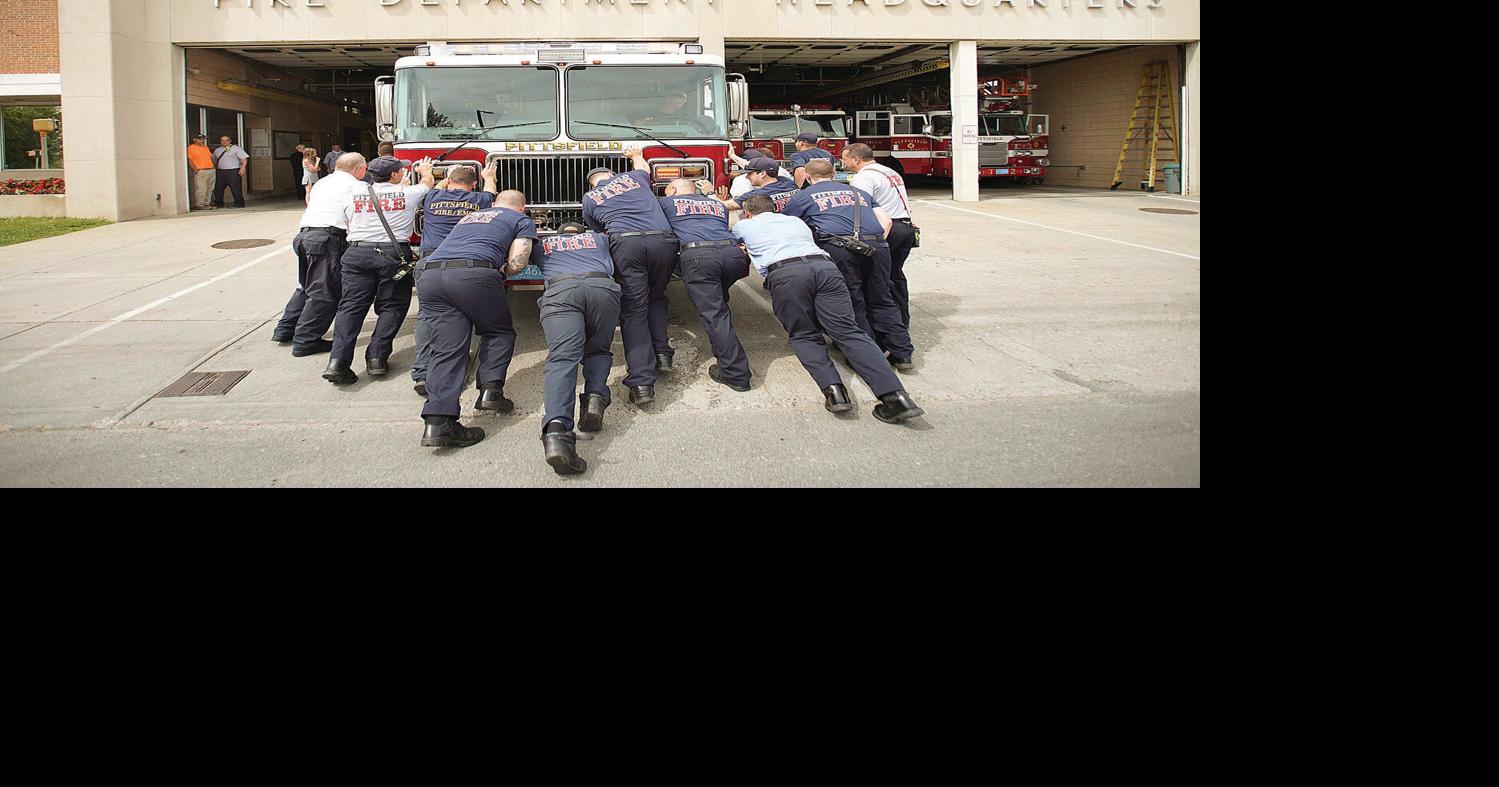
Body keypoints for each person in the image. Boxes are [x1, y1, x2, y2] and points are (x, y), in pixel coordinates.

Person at [731, 195, 924, 424]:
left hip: (786, 274)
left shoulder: (744, 225)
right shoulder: (795, 221)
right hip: (826, 268)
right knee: (849, 332)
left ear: (748, 212)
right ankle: (896, 397)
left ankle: (834, 392)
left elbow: (732, 243)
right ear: (774, 209)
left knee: (804, 335)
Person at [414, 189, 536, 448]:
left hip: (431, 276)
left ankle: (437, 423)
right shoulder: (519, 219)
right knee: (498, 332)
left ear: (494, 204)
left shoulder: (471, 217)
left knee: (446, 350)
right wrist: (506, 270)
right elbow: (519, 259)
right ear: (522, 207)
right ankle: (491, 391)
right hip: (475, 273)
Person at [783, 158, 915, 370]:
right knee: (882, 298)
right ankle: (902, 353)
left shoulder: (804, 196)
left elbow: (788, 224)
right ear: (834, 174)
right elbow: (887, 221)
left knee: (853, 299)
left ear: (808, 177)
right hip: (876, 245)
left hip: (840, 247)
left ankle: (867, 355)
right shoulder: (859, 193)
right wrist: (873, 243)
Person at [322, 156, 435, 386]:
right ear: (393, 175)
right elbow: (429, 183)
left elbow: (343, 224)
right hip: (393, 255)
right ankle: (377, 358)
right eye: (401, 171)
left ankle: (337, 363)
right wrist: (425, 170)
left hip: (357, 254)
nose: (404, 173)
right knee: (392, 306)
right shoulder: (408, 193)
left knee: (350, 308)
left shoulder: (352, 195)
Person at [581, 146, 677, 405]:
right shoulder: (632, 178)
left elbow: (599, 230)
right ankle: (663, 355)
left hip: (626, 245)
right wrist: (634, 155)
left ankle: (642, 383)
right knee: (656, 298)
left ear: (592, 182)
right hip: (664, 240)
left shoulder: (590, 198)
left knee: (634, 310)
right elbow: (643, 167)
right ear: (612, 173)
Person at [528, 221, 623, 475]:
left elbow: (520, 257)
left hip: (561, 290)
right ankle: (594, 398)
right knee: (599, 350)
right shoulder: (600, 240)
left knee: (561, 359)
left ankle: (557, 430)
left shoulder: (543, 245)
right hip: (601, 287)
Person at [410, 162, 498, 397]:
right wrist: (489, 175)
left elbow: (435, 187)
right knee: (460, 318)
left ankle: (422, 371)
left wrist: (437, 178)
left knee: (426, 316)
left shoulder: (431, 198)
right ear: (473, 184)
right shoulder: (480, 200)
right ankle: (452, 372)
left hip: (429, 263)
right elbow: (491, 190)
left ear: (449, 182)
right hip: (464, 263)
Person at [658, 178, 752, 392]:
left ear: (672, 190)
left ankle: (736, 374)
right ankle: (727, 354)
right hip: (733, 256)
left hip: (700, 257)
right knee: (718, 303)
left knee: (715, 314)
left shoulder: (665, 203)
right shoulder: (717, 204)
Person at [273, 152, 367, 356]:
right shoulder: (356, 186)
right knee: (325, 291)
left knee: (306, 286)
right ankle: (306, 340)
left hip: (304, 236)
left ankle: (285, 329)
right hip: (327, 238)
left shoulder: (323, 182)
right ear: (359, 169)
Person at [844, 142, 918, 329]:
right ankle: (902, 320)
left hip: (887, 229)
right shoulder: (889, 171)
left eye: (845, 159)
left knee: (877, 281)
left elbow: (861, 208)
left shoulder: (863, 178)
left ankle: (883, 327)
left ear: (856, 159)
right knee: (895, 275)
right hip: (906, 227)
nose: (843, 164)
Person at [711, 158, 797, 213]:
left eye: (750, 173)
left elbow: (725, 206)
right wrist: (733, 156)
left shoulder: (758, 196)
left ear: (762, 174)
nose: (747, 177)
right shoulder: (788, 182)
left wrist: (710, 192)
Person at [210, 135, 249, 209]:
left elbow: (244, 159)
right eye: (222, 140)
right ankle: (219, 202)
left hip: (233, 171)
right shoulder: (217, 150)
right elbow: (213, 161)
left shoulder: (236, 149)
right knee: (218, 188)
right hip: (221, 171)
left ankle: (239, 203)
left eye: (227, 140)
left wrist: (242, 168)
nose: (224, 142)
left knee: (235, 188)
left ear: (230, 141)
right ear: (220, 141)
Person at [187, 134, 215, 210]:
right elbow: (190, 160)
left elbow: (211, 157)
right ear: (194, 139)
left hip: (211, 169)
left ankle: (207, 203)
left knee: (210, 188)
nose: (202, 141)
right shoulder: (191, 148)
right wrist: (196, 170)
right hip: (201, 170)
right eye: (200, 139)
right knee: (201, 188)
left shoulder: (205, 147)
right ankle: (200, 204)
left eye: (203, 139)